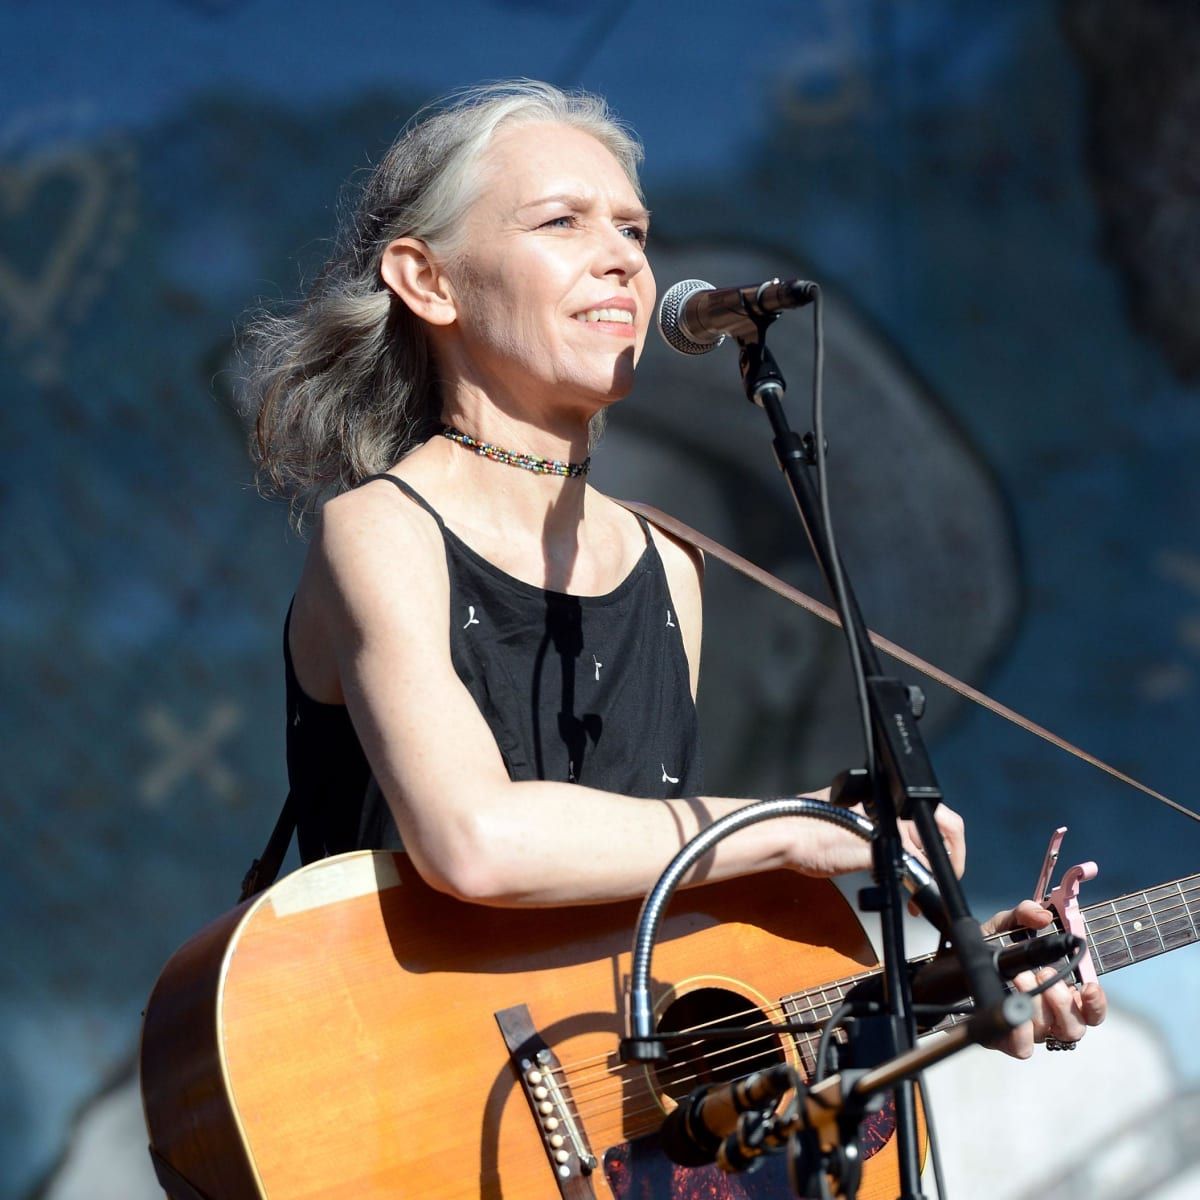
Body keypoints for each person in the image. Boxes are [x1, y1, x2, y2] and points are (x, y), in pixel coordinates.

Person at [242, 80, 1105, 1059]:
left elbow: (631, 943)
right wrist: (791, 826)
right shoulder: (380, 530)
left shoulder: (669, 567)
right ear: (428, 280)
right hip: (392, 1091)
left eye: (636, 231)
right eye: (561, 221)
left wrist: (954, 992)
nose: (621, 259)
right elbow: (473, 844)